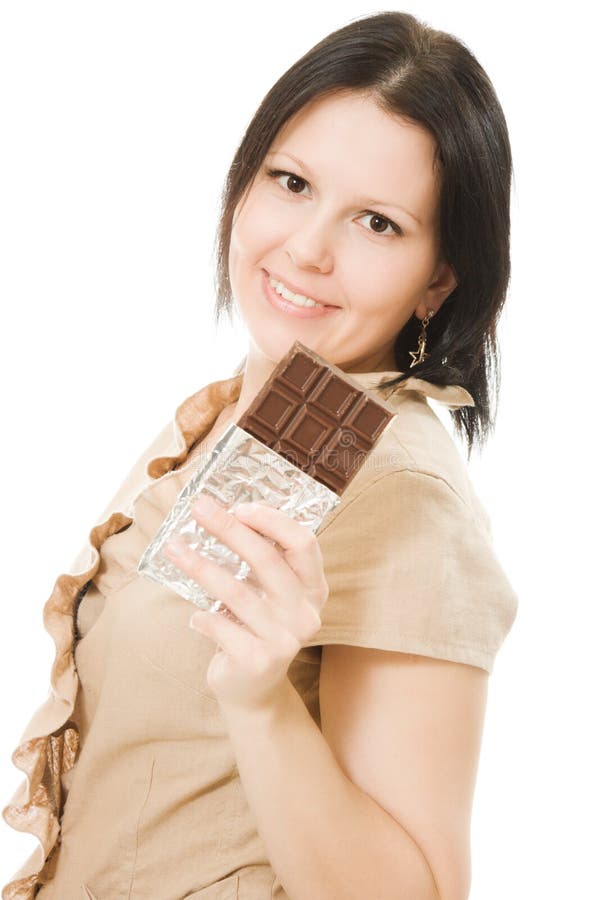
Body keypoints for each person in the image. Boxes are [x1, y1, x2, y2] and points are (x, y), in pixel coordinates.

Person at [2, 10, 519, 900]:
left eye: (378, 224)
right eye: (291, 182)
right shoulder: (263, 414)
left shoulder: (402, 488)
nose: (307, 250)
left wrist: (260, 701)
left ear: (441, 277)